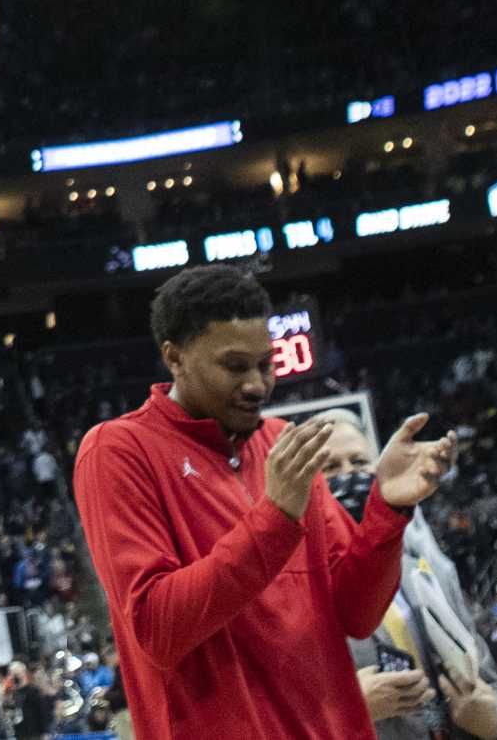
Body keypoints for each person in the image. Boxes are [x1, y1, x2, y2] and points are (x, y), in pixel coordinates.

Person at [73, 266, 455, 740]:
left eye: (265, 364)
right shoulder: (118, 451)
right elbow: (156, 629)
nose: (257, 384)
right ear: (175, 357)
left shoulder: (281, 443)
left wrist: (387, 512)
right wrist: (276, 518)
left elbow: (357, 615)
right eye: (235, 366)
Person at [323, 412, 497, 740]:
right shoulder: (294, 589)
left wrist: (495, 722)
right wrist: (348, 710)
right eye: (330, 467)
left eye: (359, 462)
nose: (348, 474)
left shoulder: (427, 572)